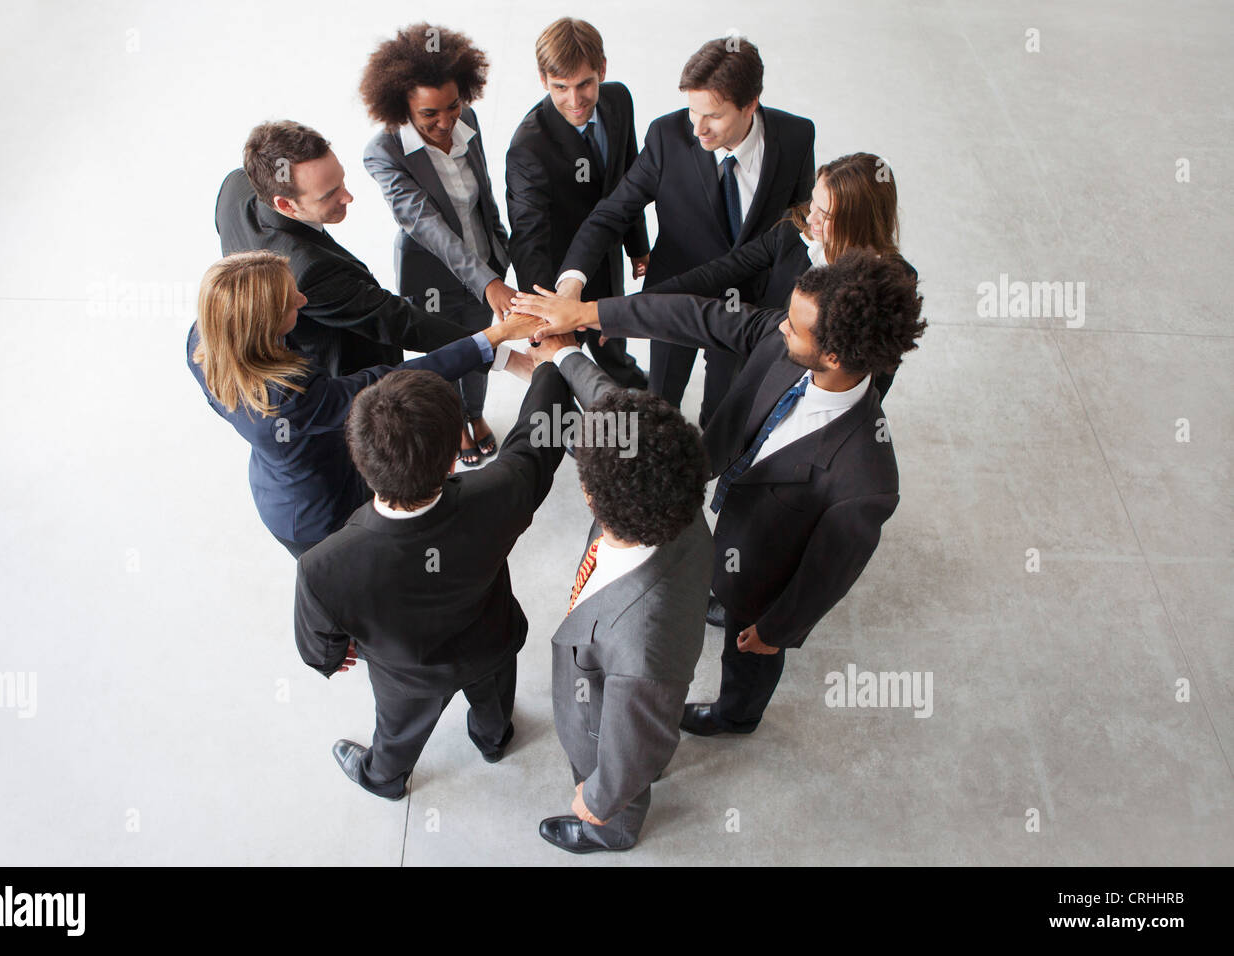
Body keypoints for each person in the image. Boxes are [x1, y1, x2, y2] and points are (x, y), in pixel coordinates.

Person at [514, 249, 926, 734]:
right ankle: (722, 597)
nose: (779, 329)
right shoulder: (788, 339)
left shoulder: (867, 480)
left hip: (759, 576)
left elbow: (827, 575)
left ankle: (738, 715)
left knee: (748, 649)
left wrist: (775, 631)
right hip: (725, 512)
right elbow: (696, 316)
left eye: (794, 328)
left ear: (833, 356)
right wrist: (589, 313)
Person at [293, 359, 573, 801]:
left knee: (397, 733)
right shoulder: (500, 492)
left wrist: (332, 656)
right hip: (490, 643)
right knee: (494, 705)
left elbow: (319, 652)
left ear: (360, 460)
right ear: (450, 458)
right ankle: (493, 741)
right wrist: (551, 368)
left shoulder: (323, 566)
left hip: (405, 676)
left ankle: (383, 778)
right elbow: (536, 444)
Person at [187, 250, 536, 557]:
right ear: (261, 325)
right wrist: (497, 335)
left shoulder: (204, 339)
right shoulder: (289, 397)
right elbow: (393, 379)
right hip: (320, 514)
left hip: (276, 482)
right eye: (289, 301)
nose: (302, 300)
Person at [554, 35, 815, 428]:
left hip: (747, 309)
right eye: (693, 111)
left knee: (723, 414)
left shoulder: (796, 137)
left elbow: (798, 228)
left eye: (713, 116)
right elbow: (612, 213)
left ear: (750, 105)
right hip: (672, 297)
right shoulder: (667, 137)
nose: (698, 129)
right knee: (661, 403)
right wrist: (572, 282)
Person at [525, 336, 712, 853]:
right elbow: (613, 404)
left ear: (591, 496)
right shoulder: (672, 493)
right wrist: (565, 355)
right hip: (645, 672)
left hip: (604, 728)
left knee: (625, 782)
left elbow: (637, 740)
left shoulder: (641, 647)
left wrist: (602, 797)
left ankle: (614, 834)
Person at [361, 23, 516, 467]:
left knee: (482, 344)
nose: (446, 122)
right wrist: (487, 283)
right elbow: (427, 225)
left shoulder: (467, 120)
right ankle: (453, 427)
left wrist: (498, 261)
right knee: (447, 356)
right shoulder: (383, 153)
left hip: (485, 267)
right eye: (430, 114)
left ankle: (475, 413)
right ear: (400, 107)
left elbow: (484, 197)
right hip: (433, 278)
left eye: (453, 105)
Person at [215, 120, 474, 377]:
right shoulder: (309, 270)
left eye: (341, 180)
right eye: (329, 194)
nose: (348, 197)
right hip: (351, 373)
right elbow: (397, 320)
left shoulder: (235, 186)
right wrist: (490, 344)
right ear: (285, 205)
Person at [648, 152, 914, 400]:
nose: (811, 219)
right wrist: (635, 303)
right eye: (813, 203)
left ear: (860, 221)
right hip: (755, 372)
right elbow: (720, 270)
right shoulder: (791, 232)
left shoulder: (895, 282)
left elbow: (881, 369)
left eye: (826, 214)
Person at [505, 17, 649, 390]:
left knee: (613, 342)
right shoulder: (528, 146)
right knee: (563, 364)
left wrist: (637, 246)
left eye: (585, 83)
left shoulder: (619, 100)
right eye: (560, 87)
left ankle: (632, 393)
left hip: (607, 257)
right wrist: (543, 314)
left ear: (602, 68)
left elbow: (628, 178)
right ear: (543, 80)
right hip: (556, 272)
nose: (575, 100)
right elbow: (527, 235)